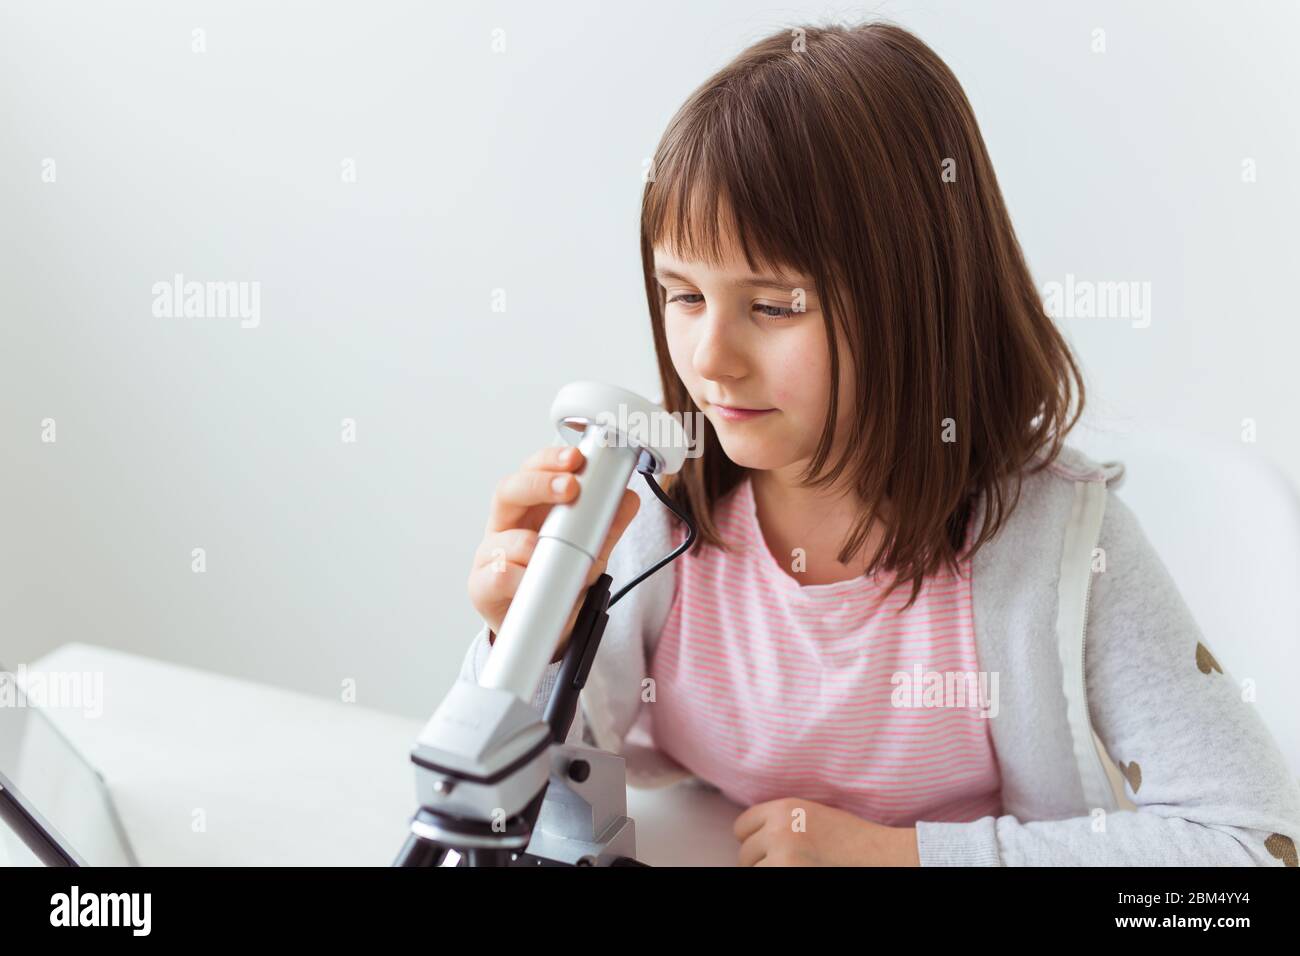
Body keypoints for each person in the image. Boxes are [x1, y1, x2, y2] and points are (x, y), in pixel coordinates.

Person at [463, 21, 1300, 866]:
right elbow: (513, 799)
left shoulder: (1061, 546)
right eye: (682, 296)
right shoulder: (658, 509)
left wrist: (899, 856)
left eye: (774, 306)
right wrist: (527, 640)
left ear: (918, 303)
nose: (709, 361)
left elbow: (1257, 850)